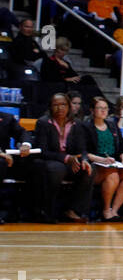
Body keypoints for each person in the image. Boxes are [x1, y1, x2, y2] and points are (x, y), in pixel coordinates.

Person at [32, 93, 93, 223]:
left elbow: (82, 149)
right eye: (56, 105)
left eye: (63, 104)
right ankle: (47, 211)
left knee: (88, 170)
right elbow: (42, 150)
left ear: (69, 106)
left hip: (69, 161)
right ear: (50, 107)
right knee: (56, 169)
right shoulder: (43, 122)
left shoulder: (77, 124)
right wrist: (66, 158)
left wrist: (85, 159)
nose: (60, 108)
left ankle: (73, 210)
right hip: (47, 160)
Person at [85, 95, 123, 221]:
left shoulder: (112, 125)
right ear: (92, 110)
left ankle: (114, 210)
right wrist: (101, 160)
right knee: (112, 173)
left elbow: (121, 147)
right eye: (100, 108)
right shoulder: (86, 126)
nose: (104, 111)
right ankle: (105, 210)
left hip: (111, 163)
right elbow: (84, 152)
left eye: (105, 108)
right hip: (94, 165)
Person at [0, 111, 48, 220]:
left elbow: (22, 132)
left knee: (37, 165)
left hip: (8, 160)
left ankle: (36, 211)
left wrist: (25, 144)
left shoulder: (6, 117)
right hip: (2, 160)